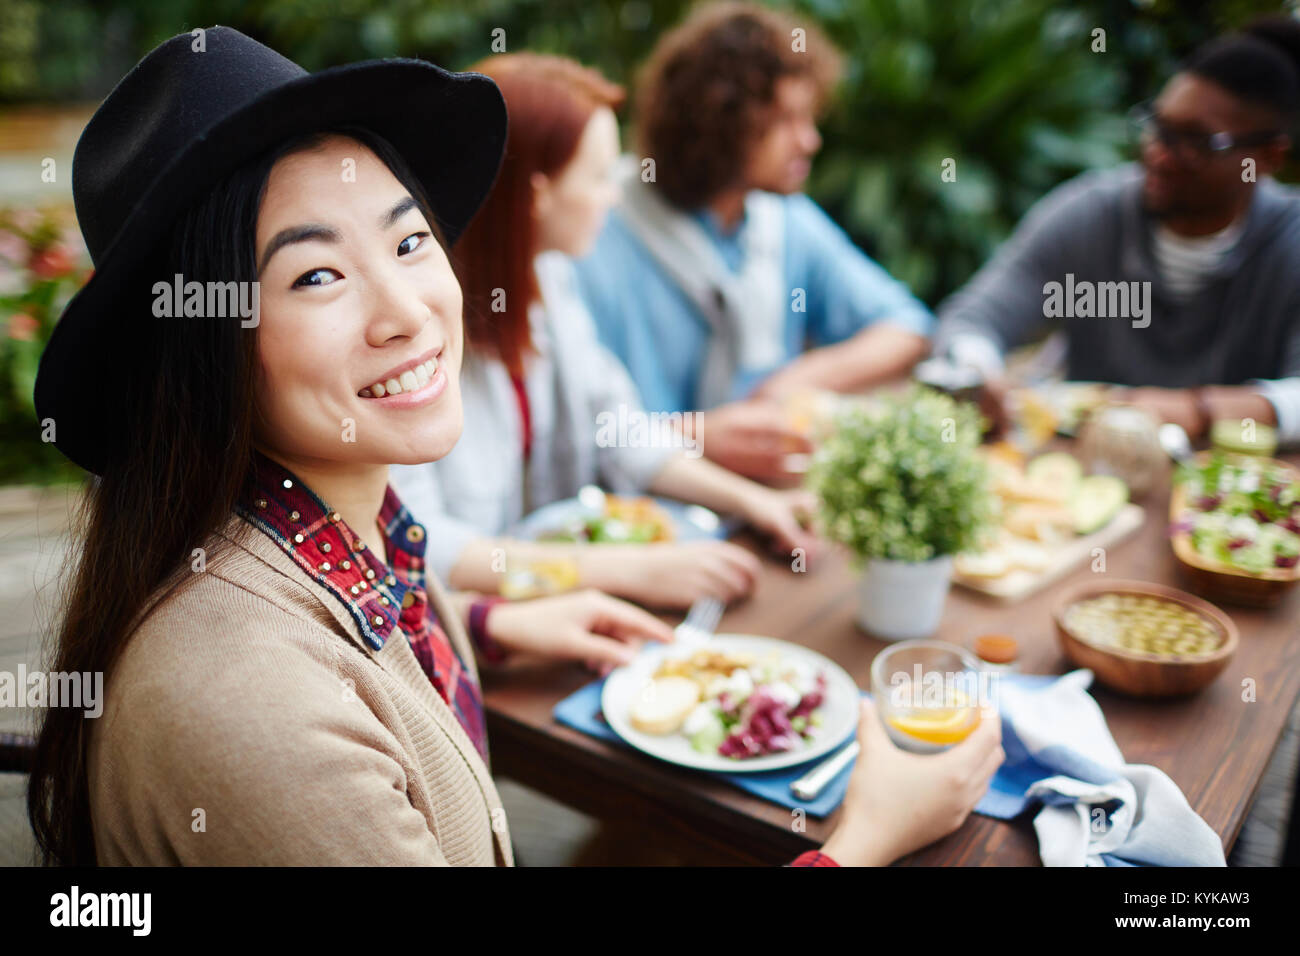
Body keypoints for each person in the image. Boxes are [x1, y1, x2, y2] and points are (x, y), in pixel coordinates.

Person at [27, 28, 1000, 867]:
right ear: (199, 344)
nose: (408, 311)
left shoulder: (351, 524)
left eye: (410, 243)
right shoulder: (250, 706)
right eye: (318, 275)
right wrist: (864, 838)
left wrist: (492, 625)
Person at [391, 54, 815, 609]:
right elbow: (420, 543)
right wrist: (623, 571)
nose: (613, 196)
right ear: (536, 196)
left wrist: (754, 501)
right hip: (479, 636)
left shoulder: (549, 279)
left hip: (549, 610)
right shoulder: (417, 336)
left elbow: (618, 429)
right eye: (597, 178)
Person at [572, 2, 934, 484]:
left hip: (775, 502)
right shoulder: (596, 236)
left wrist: (794, 383)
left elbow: (907, 328)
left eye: (809, 117)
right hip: (651, 522)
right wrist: (696, 437)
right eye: (785, 121)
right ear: (717, 123)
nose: (810, 141)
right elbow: (577, 434)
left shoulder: (782, 221)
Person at [935, 16, 1300, 445]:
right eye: (1158, 127)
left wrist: (1194, 410)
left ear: (1267, 157)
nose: (1159, 154)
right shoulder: (1091, 215)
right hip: (1083, 486)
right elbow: (973, 318)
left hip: (1230, 494)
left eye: (1195, 141)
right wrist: (976, 375)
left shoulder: (1289, 242)